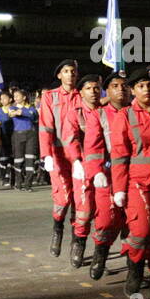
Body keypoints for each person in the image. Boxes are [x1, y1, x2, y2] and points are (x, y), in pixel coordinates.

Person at [111, 69, 150, 299]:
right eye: (141, 86)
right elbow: (118, 154)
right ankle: (135, 270)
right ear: (133, 91)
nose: (147, 89)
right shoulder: (125, 116)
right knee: (141, 231)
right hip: (137, 181)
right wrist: (118, 188)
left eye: (149, 85)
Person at [82, 72, 129, 280]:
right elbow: (92, 145)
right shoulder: (98, 115)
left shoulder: (136, 112)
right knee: (107, 220)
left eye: (124, 85)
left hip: (135, 175)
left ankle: (133, 265)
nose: (121, 89)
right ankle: (100, 252)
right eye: (115, 85)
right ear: (107, 91)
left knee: (133, 221)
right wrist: (96, 171)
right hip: (108, 175)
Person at [60, 73, 105, 267]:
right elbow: (70, 138)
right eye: (88, 88)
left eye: (96, 88)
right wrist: (76, 161)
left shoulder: (107, 111)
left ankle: (100, 251)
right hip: (83, 168)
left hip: (105, 168)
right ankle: (78, 243)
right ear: (80, 92)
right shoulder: (75, 112)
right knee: (84, 210)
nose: (93, 92)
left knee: (104, 214)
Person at [38, 59, 81, 254]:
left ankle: (76, 241)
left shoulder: (83, 95)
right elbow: (46, 126)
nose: (70, 75)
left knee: (80, 200)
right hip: (58, 155)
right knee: (63, 198)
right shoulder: (50, 97)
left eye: (73, 71)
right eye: (66, 71)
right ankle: (57, 228)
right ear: (59, 75)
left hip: (80, 157)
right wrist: (46, 154)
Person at [6, 87, 39, 190]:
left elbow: (34, 116)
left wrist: (22, 113)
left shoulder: (31, 108)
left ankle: (28, 184)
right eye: (14, 96)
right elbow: (11, 114)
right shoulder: (12, 107)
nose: (15, 98)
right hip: (18, 135)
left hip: (31, 135)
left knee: (30, 159)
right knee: (18, 160)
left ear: (24, 97)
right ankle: (18, 183)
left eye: (17, 96)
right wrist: (20, 113)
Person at [0, 91, 14, 186]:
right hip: (4, 136)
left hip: (14, 136)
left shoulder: (15, 109)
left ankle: (11, 177)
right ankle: (2, 177)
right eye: (1, 99)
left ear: (10, 99)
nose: (2, 101)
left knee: (13, 158)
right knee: (3, 157)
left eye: (4, 98)